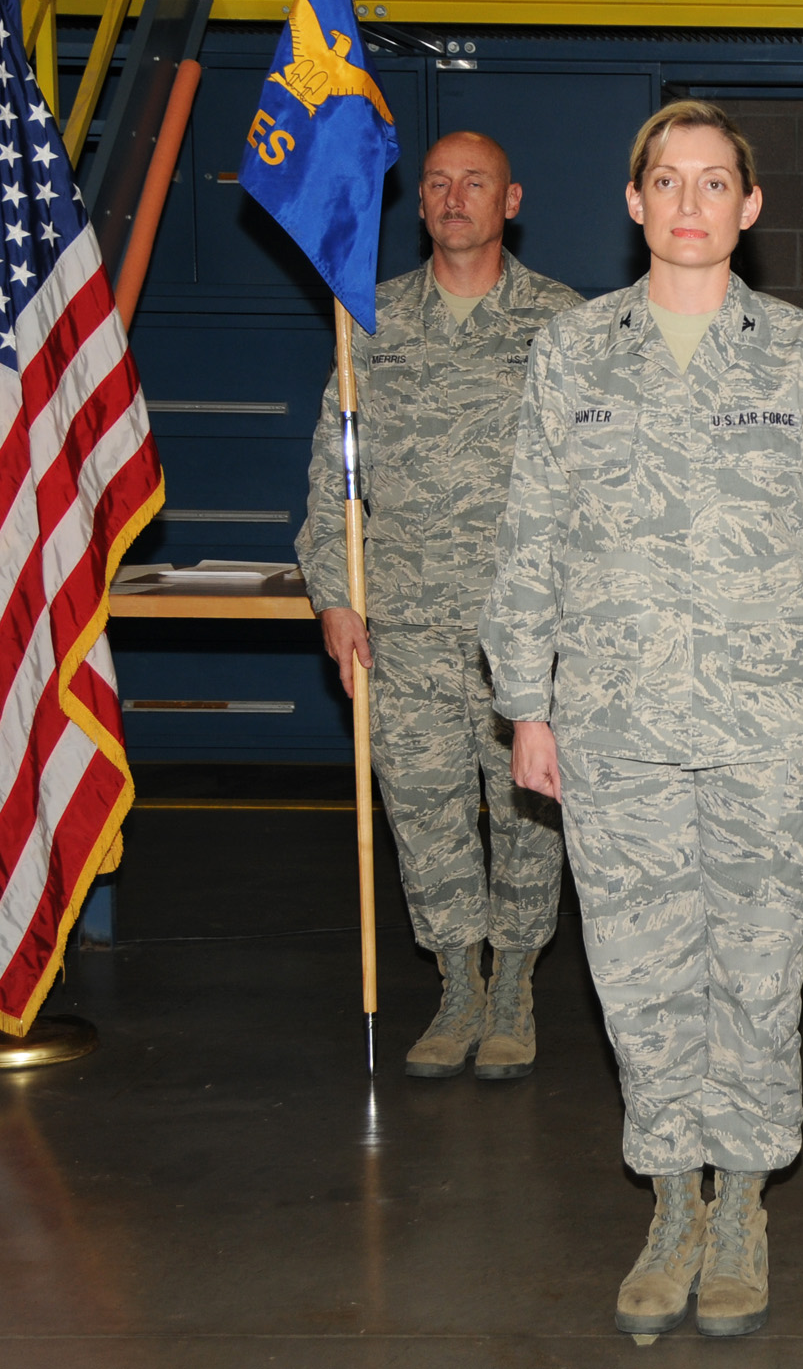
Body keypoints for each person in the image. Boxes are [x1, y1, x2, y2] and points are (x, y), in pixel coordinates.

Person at [480, 99, 803, 1340]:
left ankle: (746, 1204)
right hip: (615, 728)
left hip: (777, 727)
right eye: (667, 181)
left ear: (749, 207)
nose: (690, 204)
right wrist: (526, 707)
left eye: (715, 183)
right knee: (642, 977)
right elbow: (528, 541)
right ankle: (672, 1201)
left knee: (760, 976)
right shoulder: (571, 353)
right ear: (634, 202)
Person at [296, 131, 580, 1082]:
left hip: (522, 639)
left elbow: (597, 486)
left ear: (512, 201)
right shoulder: (366, 323)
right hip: (404, 630)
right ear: (418, 204)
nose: (454, 197)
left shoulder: (564, 326)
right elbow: (332, 484)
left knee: (528, 815)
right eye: (437, 184)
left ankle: (514, 986)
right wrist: (336, 599)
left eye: (477, 184)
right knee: (422, 814)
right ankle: (457, 984)